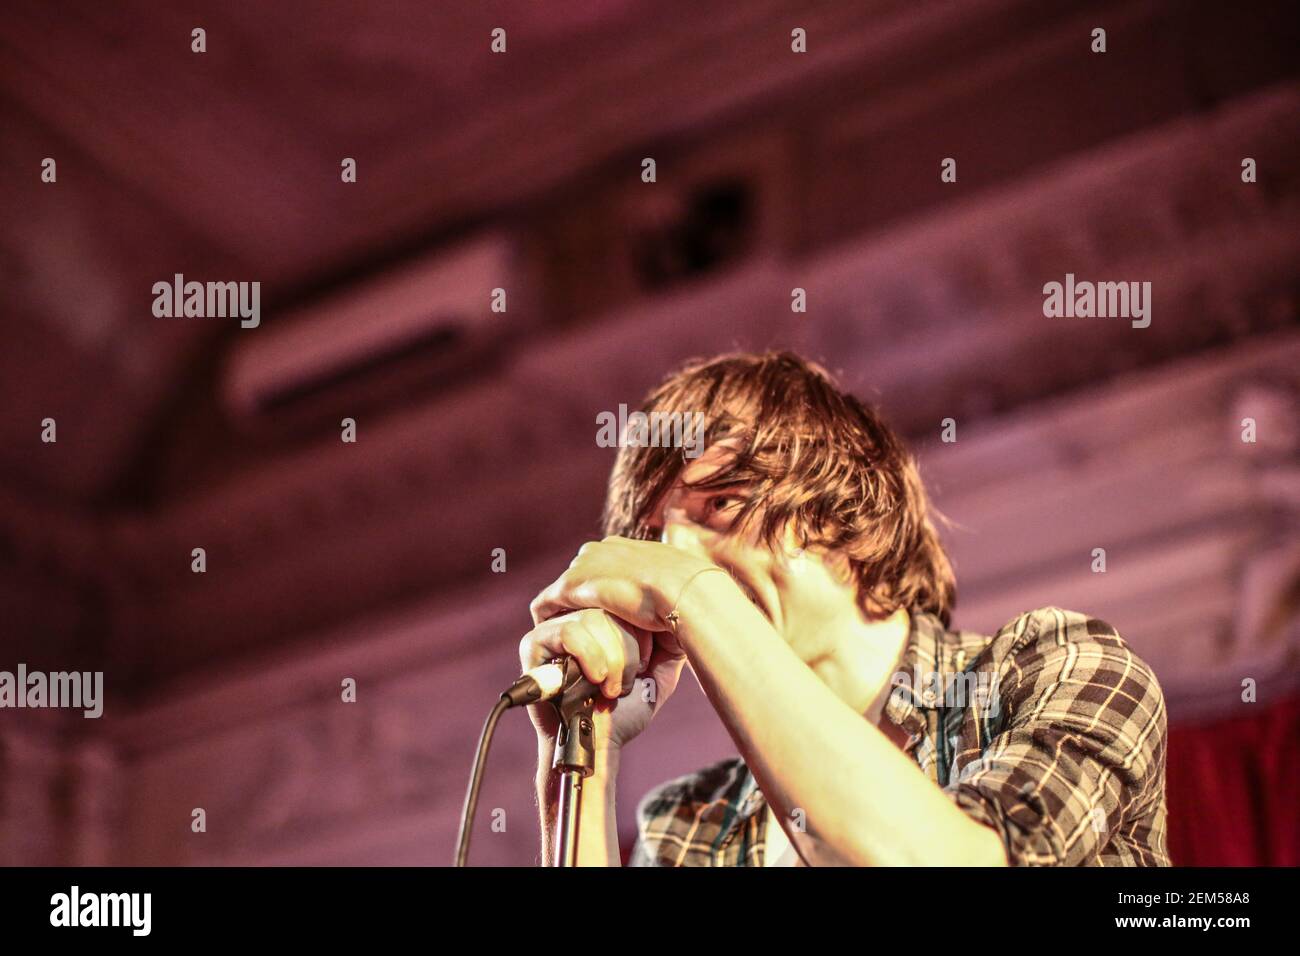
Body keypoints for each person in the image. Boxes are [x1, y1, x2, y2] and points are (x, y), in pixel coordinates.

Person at [522, 351, 1168, 866]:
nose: (675, 555)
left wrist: (696, 593)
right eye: (656, 536)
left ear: (839, 510)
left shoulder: (1060, 669)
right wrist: (583, 743)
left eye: (721, 504)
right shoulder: (692, 827)